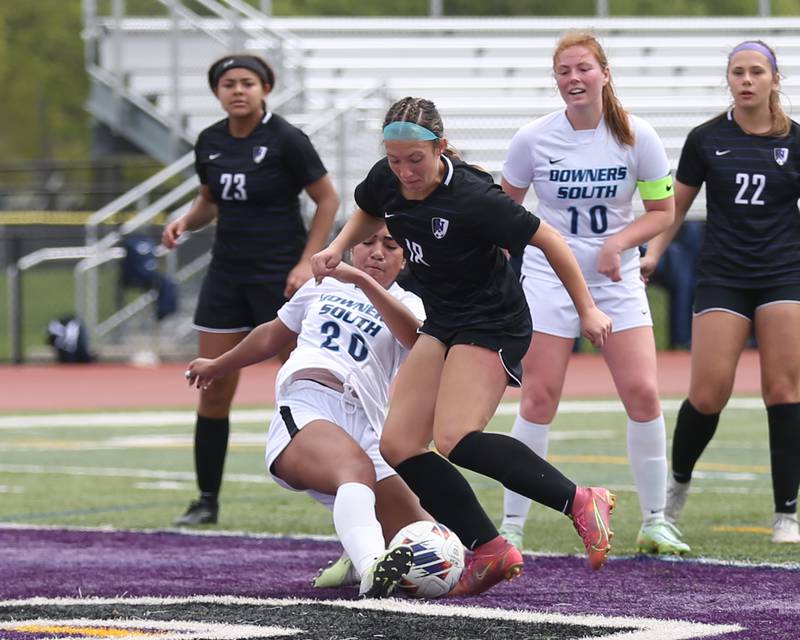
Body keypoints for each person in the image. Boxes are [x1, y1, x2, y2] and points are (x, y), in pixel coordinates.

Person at [312, 96, 616, 598]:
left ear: (441, 147)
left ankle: (581, 500)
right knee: (399, 445)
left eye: (416, 159)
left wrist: (587, 309)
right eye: (395, 160)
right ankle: (490, 548)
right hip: (444, 318)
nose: (405, 171)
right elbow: (369, 209)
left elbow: (550, 241)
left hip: (493, 320)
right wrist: (335, 246)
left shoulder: (474, 197)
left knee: (455, 436)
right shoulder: (388, 177)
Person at [497, 31, 689, 556]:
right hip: (549, 279)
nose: (573, 78)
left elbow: (663, 212)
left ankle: (655, 521)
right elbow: (502, 209)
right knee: (539, 398)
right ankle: (512, 525)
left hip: (616, 280)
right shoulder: (533, 138)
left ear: (605, 73)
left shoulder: (637, 136)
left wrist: (619, 243)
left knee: (643, 393)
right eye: (564, 71)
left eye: (583, 68)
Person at [185, 225, 432, 597]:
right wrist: (218, 365)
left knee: (427, 542)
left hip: (365, 424)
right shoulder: (322, 285)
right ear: (350, 249)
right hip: (308, 403)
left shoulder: (410, 303)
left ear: (405, 259)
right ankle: (371, 568)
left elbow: (415, 337)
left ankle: (355, 556)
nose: (377, 252)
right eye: (367, 242)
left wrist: (364, 283)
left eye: (391, 245)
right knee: (355, 470)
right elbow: (272, 334)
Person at [162, 54, 339, 526]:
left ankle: (348, 486)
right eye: (228, 84)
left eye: (247, 82)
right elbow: (210, 200)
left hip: (281, 275)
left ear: (265, 89)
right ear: (216, 92)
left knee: (307, 381)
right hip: (226, 275)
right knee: (213, 387)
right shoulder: (210, 140)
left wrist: (306, 261)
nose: (237, 90)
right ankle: (206, 500)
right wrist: (186, 221)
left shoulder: (286, 139)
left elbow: (327, 198)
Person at [642, 40, 800, 545]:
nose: (746, 80)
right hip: (724, 276)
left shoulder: (796, 140)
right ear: (728, 79)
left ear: (774, 79)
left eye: (756, 72)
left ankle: (787, 513)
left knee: (784, 390)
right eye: (738, 72)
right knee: (709, 393)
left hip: (784, 274)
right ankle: (676, 488)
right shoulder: (706, 139)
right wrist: (653, 253)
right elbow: (674, 208)